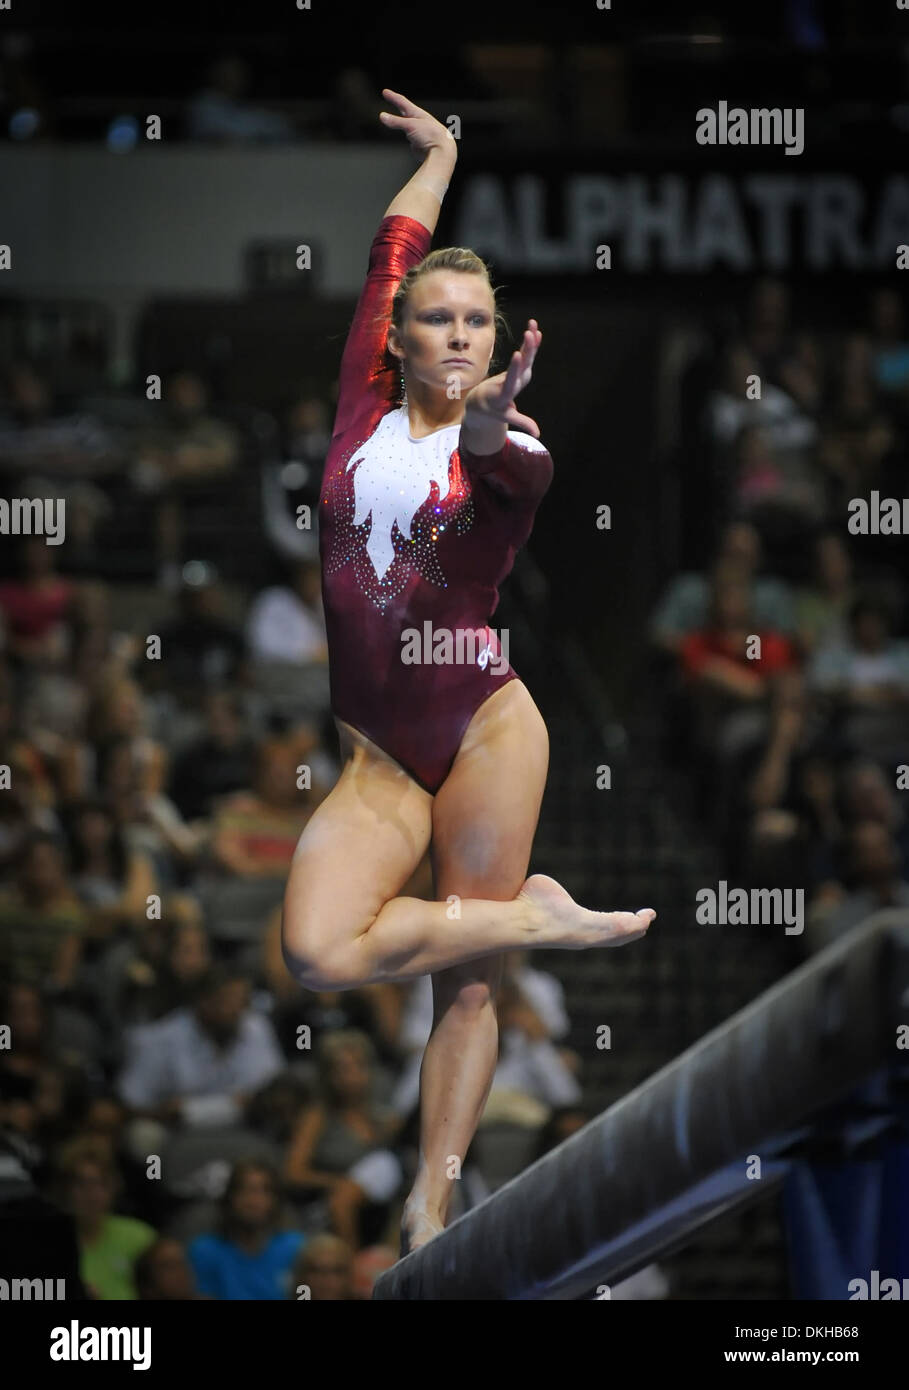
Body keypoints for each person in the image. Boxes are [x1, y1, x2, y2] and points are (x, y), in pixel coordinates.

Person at [281, 88, 656, 1256]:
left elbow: (499, 462)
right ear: (397, 334)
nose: (455, 337)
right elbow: (396, 241)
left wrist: (490, 424)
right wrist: (445, 153)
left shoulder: (520, 448)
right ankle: (537, 921)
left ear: (500, 343)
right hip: (383, 756)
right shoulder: (362, 405)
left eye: (476, 324)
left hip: (488, 725)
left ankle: (432, 1198)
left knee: (470, 984)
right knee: (315, 952)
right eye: (435, 319)